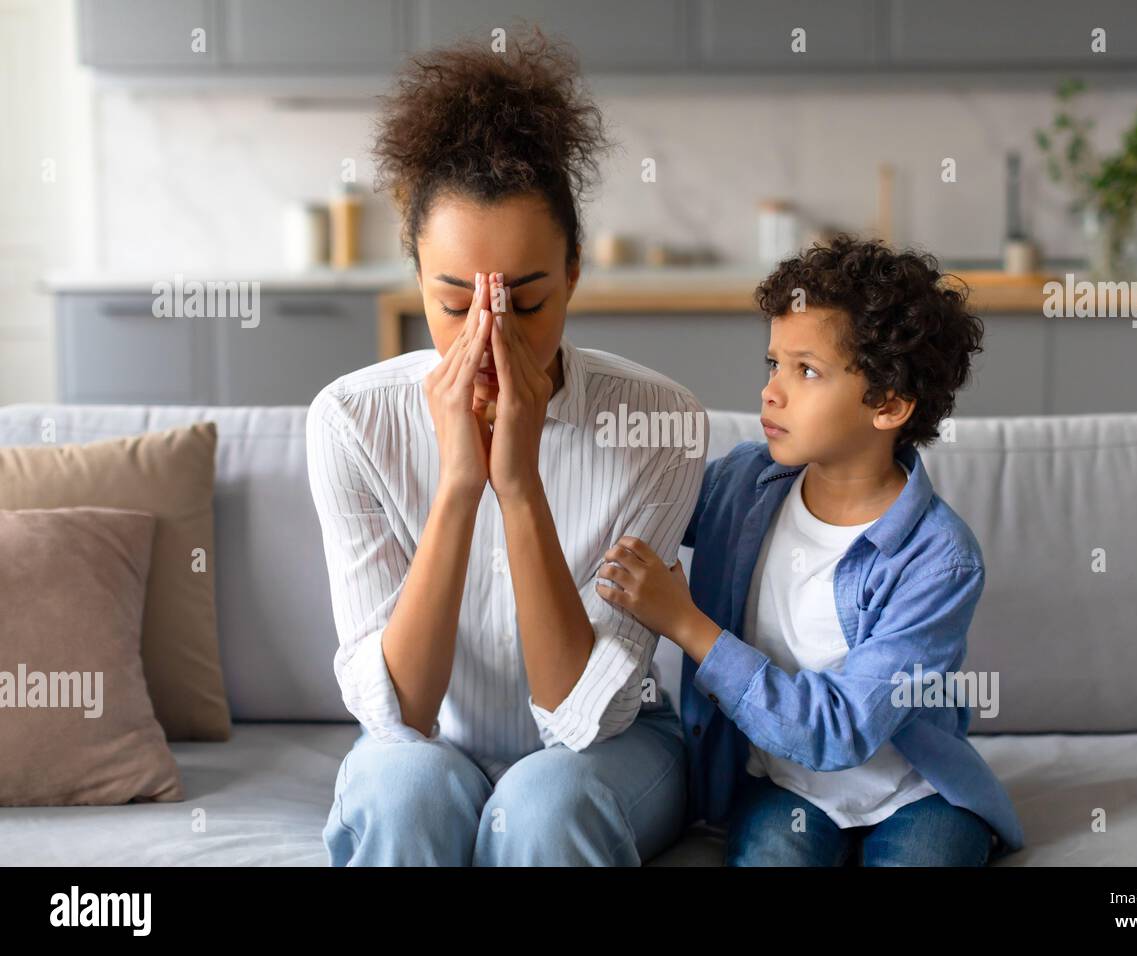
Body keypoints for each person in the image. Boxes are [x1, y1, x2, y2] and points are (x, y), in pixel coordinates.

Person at [306, 30, 705, 866]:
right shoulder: (350, 420)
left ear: (575, 273)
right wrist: (459, 482)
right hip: (432, 745)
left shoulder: (661, 423)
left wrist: (519, 484)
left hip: (607, 751)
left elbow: (583, 713)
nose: (490, 339)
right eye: (456, 305)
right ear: (417, 277)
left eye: (526, 303)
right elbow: (401, 716)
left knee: (545, 802)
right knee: (399, 787)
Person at [596, 236, 1025, 865]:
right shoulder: (744, 485)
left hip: (915, 794)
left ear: (888, 404)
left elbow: (842, 730)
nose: (771, 392)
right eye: (773, 363)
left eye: (807, 370)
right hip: (781, 788)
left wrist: (686, 624)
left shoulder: (941, 560)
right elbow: (637, 500)